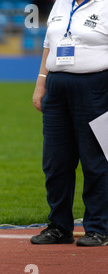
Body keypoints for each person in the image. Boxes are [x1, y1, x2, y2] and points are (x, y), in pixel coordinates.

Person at [31, 0, 108, 246]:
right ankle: (59, 226)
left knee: (96, 160)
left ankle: (99, 227)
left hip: (96, 87)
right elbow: (48, 45)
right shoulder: (60, 4)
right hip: (56, 87)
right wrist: (41, 82)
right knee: (56, 160)